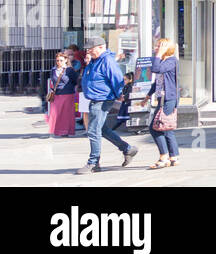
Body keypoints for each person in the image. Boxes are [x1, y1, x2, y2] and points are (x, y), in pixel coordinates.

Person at [76, 37, 137, 174]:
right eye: (88, 49)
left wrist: (119, 94)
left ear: (101, 47)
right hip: (95, 98)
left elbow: (117, 80)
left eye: (91, 49)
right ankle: (128, 149)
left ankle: (93, 163)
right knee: (102, 129)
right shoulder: (95, 60)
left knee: (93, 131)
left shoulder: (107, 61)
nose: (89, 51)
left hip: (102, 100)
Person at [145, 38, 180, 169]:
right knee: (166, 128)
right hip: (163, 98)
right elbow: (157, 82)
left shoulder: (171, 61)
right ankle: (174, 156)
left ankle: (163, 157)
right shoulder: (166, 61)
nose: (156, 48)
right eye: (156, 46)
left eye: (159, 46)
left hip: (169, 98)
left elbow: (156, 69)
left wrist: (159, 54)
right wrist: (147, 96)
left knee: (155, 127)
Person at [45, 52, 77, 137]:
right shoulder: (53, 70)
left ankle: (66, 131)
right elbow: (53, 81)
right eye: (57, 60)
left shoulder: (69, 70)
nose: (59, 62)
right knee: (56, 113)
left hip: (67, 94)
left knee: (66, 114)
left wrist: (68, 88)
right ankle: (57, 130)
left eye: (61, 60)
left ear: (66, 60)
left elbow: (75, 81)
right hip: (57, 94)